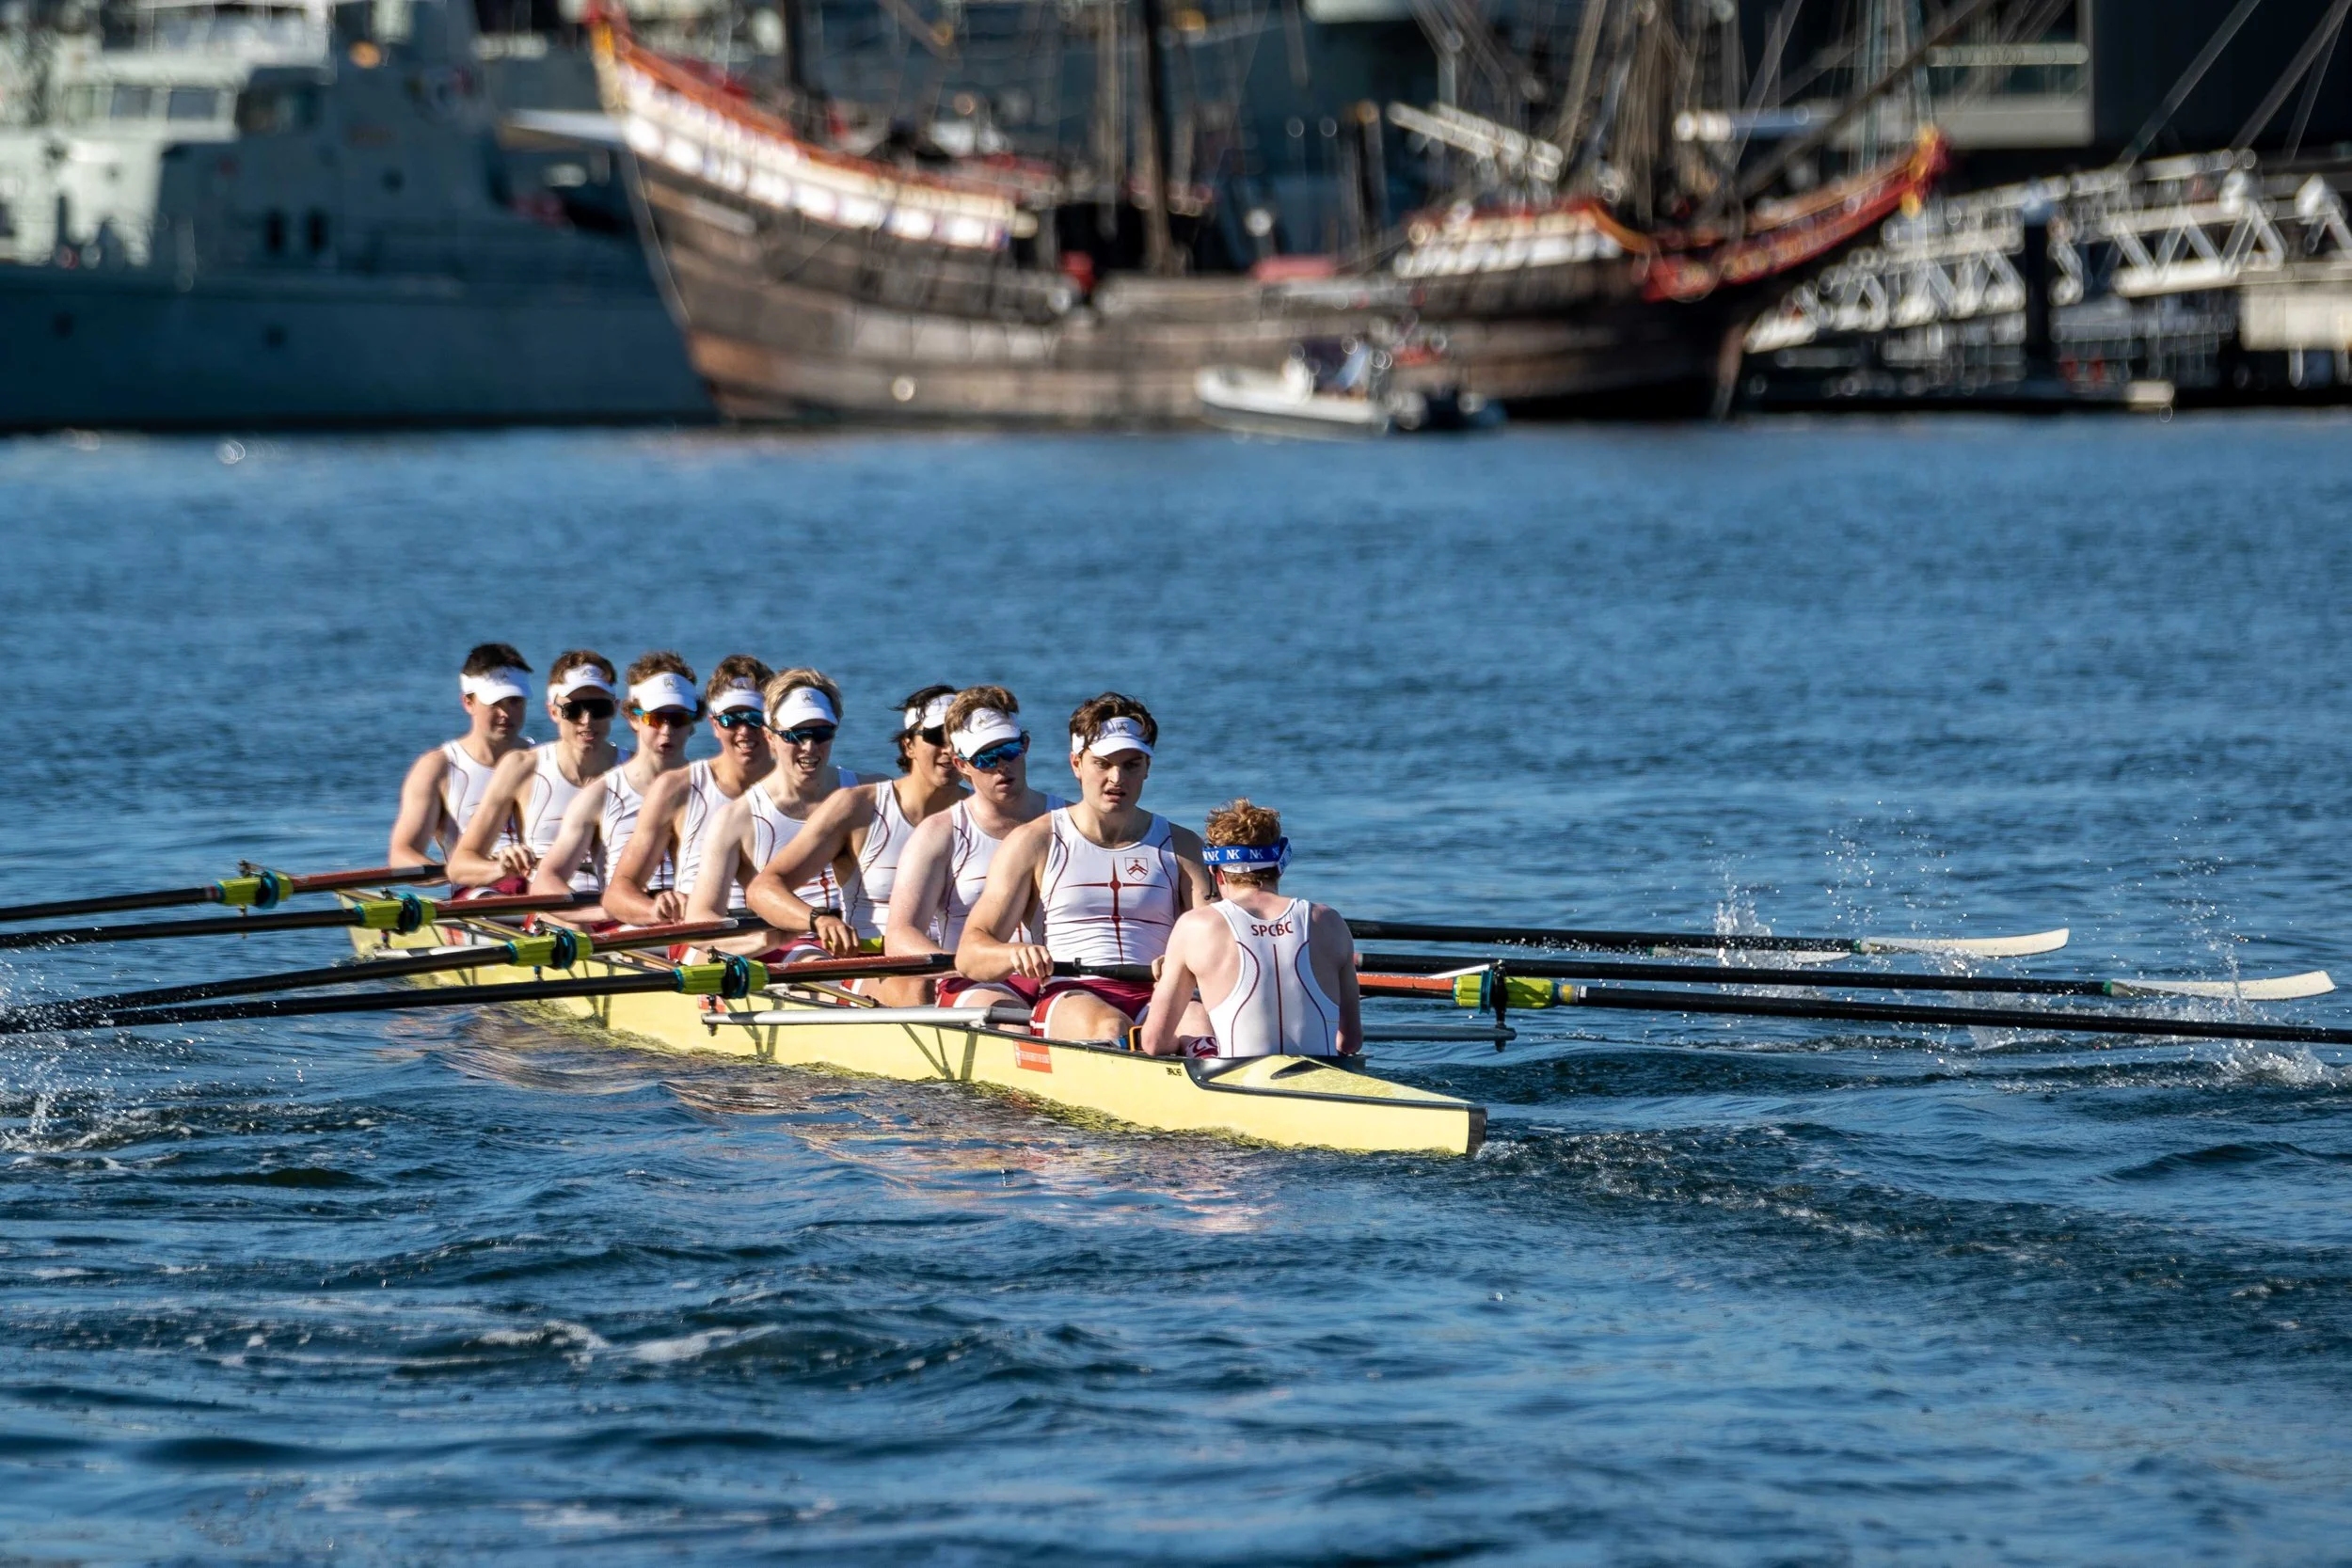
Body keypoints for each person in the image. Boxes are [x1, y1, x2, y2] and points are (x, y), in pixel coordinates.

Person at [955, 693, 1214, 1041]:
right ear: (1076, 764)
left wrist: (1187, 961)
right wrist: (1014, 953)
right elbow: (970, 954)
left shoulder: (1183, 845)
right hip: (1073, 992)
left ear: (1148, 767)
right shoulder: (1034, 841)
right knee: (1109, 1026)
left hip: (1160, 991)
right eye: (1102, 764)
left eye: (1132, 764)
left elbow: (1220, 942)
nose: (1116, 778)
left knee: (1198, 1023)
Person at [744, 684, 964, 1001]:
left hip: (960, 968)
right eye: (935, 738)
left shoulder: (980, 813)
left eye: (956, 739)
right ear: (909, 745)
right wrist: (818, 919)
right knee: (918, 985)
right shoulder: (857, 808)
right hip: (875, 965)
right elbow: (763, 890)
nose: (948, 749)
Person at [883, 686, 1064, 1011]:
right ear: (961, 764)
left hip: (1059, 977)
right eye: (985, 758)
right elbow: (899, 935)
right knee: (1009, 1014)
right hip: (976, 982)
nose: (1001, 766)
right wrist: (969, 963)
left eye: (1008, 750)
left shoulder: (1069, 821)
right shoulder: (939, 834)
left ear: (1025, 744)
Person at [1137, 800, 1360, 1059]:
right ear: (1280, 865)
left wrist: (1195, 1042)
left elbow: (1154, 1044)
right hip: (1323, 1081)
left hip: (1233, 1084)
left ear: (1215, 872)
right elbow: (1351, 1042)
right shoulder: (1329, 921)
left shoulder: (1195, 927)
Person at [681, 669, 871, 955]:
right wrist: (760, 941)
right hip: (789, 951)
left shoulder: (872, 791)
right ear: (770, 737)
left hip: (864, 943)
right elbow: (699, 924)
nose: (809, 747)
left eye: (821, 733)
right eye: (796, 735)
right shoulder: (736, 819)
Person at [527, 651, 701, 922]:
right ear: (632, 717)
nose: (667, 731)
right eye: (655, 719)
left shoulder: (712, 788)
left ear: (692, 723)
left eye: (678, 719)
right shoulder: (600, 795)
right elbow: (545, 882)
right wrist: (604, 913)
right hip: (628, 928)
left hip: (699, 925)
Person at [601, 655, 774, 926]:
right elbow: (617, 894)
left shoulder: (803, 788)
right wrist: (655, 909)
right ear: (715, 724)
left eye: (755, 719)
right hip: (702, 937)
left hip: (782, 936)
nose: (744, 731)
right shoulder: (676, 789)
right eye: (732, 719)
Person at [446, 651, 622, 895]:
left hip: (616, 908)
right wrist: (500, 868)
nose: (587, 720)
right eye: (574, 709)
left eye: (599, 708)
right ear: (553, 711)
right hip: (549, 911)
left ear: (615, 708)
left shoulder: (638, 770)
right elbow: (459, 866)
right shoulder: (521, 767)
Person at [387, 642, 533, 869]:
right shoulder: (438, 768)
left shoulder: (544, 760)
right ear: (468, 702)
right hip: (477, 892)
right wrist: (456, 873)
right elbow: (403, 855)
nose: (506, 713)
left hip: (541, 889)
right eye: (494, 703)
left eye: (515, 701)